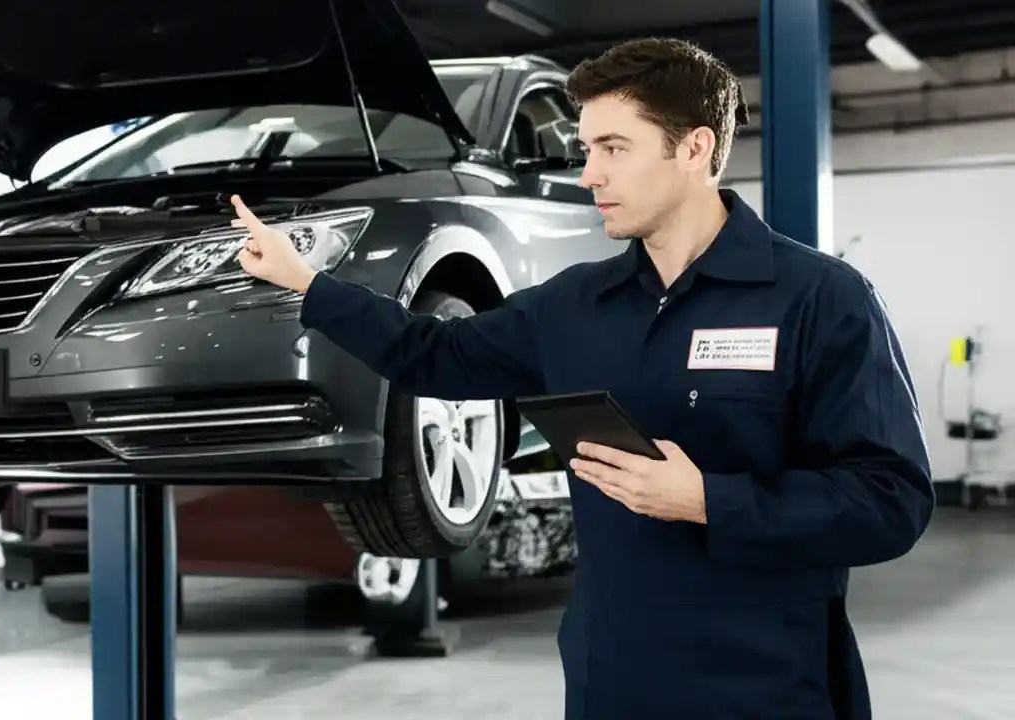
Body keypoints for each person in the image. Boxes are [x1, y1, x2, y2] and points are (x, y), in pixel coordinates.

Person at [229, 37, 933, 720]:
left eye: (613, 149)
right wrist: (308, 283)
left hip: (763, 687)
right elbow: (432, 355)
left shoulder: (819, 299)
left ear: (693, 149)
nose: (589, 172)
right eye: (587, 148)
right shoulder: (573, 305)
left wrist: (710, 500)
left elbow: (891, 502)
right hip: (610, 681)